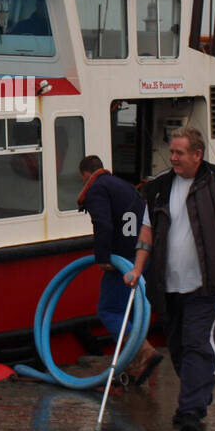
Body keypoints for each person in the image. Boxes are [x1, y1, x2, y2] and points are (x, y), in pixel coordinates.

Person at [125, 128, 215, 431]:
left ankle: (190, 410)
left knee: (198, 344)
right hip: (167, 285)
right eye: (172, 152)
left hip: (206, 283)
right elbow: (147, 231)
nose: (173, 158)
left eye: (180, 153)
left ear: (198, 154)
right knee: (179, 349)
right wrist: (137, 269)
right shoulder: (159, 187)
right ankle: (199, 394)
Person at [77, 155, 163, 385]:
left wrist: (103, 257)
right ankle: (135, 362)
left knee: (109, 310)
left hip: (122, 259)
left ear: (85, 175)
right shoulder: (123, 185)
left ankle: (144, 352)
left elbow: (102, 222)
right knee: (132, 311)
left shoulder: (96, 188)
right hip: (142, 255)